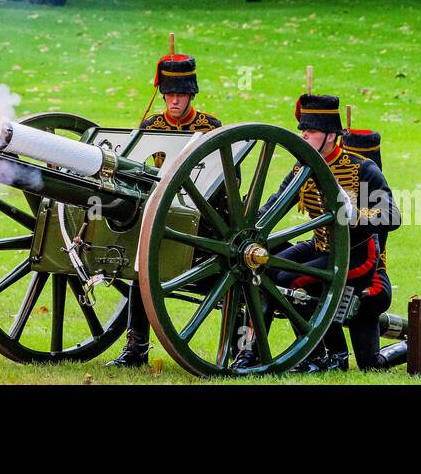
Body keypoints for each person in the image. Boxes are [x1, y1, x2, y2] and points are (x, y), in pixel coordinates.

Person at [235, 94, 404, 372]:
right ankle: (248, 352)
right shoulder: (303, 166)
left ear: (330, 136)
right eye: (302, 130)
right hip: (320, 246)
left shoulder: (361, 168)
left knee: (292, 282)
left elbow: (392, 215)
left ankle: (326, 356)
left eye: (310, 131)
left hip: (357, 255)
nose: (303, 136)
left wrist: (355, 216)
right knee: (263, 265)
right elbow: (275, 204)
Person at [106, 52, 223, 368]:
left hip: (203, 221)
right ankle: (136, 349)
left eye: (180, 94)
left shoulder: (209, 126)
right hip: (158, 215)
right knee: (139, 272)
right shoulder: (151, 126)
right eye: (169, 94)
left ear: (191, 94)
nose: (174, 101)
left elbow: (225, 179)